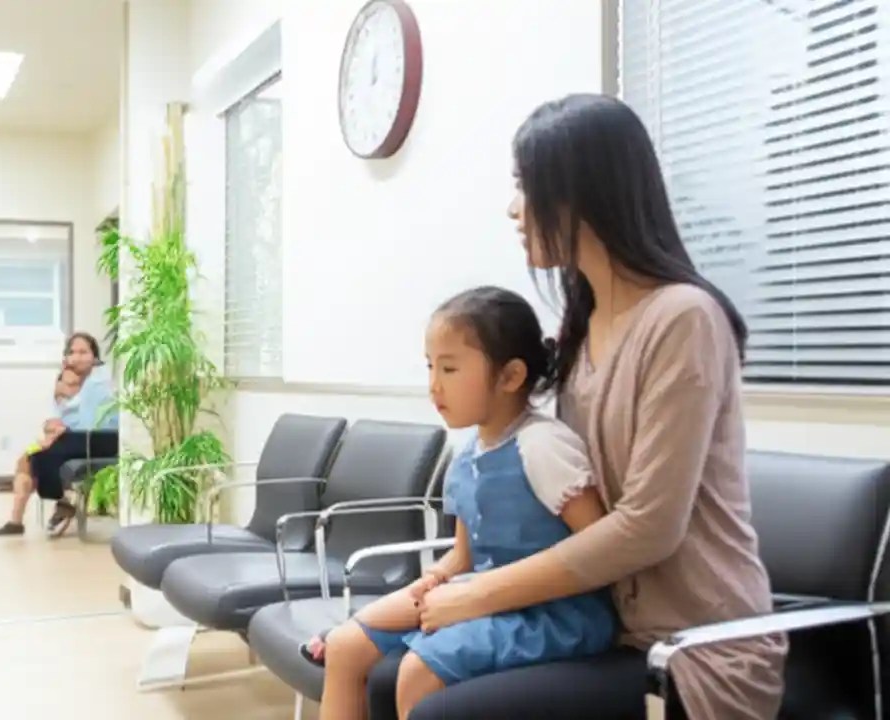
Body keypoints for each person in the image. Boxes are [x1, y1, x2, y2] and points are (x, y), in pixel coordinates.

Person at [385, 94, 784, 719]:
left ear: (581, 193)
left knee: (443, 707)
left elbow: (649, 527)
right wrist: (454, 579)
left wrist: (479, 595)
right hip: (601, 624)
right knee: (390, 675)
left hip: (693, 645)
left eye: (527, 186)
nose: (513, 209)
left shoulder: (683, 319)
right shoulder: (584, 326)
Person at [302, 287, 618, 720]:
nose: (434, 384)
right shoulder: (466, 456)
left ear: (509, 376)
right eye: (431, 366)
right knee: (345, 646)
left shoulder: (544, 447)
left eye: (449, 369)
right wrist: (433, 580)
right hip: (480, 595)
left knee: (416, 672)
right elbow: (464, 555)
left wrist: (469, 597)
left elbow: (601, 549)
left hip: (551, 613)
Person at [0, 332, 119, 537]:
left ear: (94, 357)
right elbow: (55, 417)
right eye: (72, 352)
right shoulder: (64, 381)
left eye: (83, 352)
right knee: (27, 459)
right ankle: (20, 519)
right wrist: (52, 426)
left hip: (99, 440)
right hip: (75, 439)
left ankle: (60, 504)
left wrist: (58, 432)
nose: (76, 357)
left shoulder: (98, 384)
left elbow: (89, 424)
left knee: (38, 456)